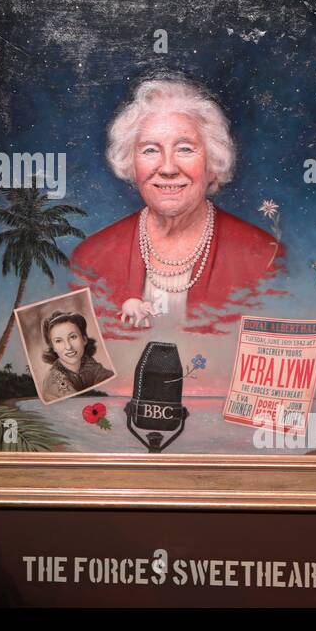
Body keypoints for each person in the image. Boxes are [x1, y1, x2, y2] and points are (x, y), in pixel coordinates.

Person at [70, 77, 284, 333]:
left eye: (185, 149)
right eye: (150, 150)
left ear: (212, 163)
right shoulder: (91, 259)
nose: (168, 168)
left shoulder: (263, 258)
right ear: (131, 164)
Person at [39, 309, 114, 402]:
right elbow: (77, 404)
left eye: (73, 337)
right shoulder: (54, 380)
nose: (68, 346)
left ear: (84, 339)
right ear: (53, 347)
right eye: (58, 341)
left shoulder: (88, 362)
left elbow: (110, 381)